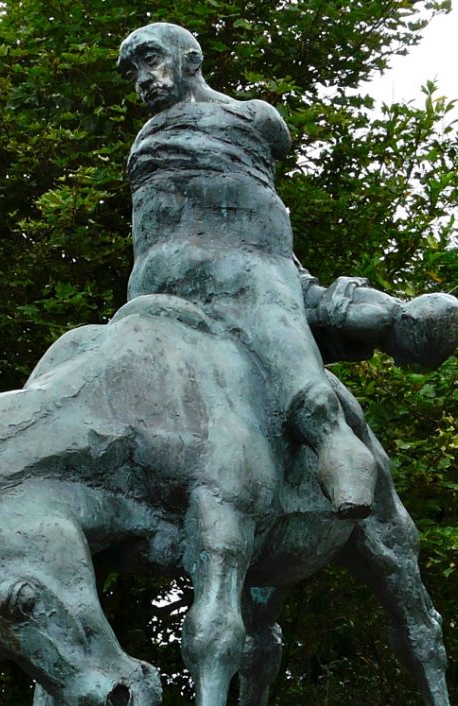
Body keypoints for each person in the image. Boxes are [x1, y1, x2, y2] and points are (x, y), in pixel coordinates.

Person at [118, 22, 380, 517]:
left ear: (189, 59)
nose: (142, 79)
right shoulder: (147, 138)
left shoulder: (252, 116)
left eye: (150, 60)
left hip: (245, 263)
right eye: (131, 72)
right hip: (154, 282)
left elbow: (269, 166)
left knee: (277, 329)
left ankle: (334, 441)